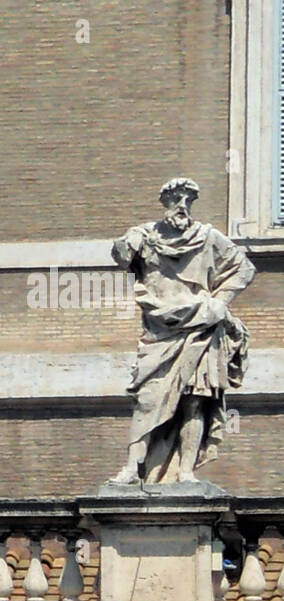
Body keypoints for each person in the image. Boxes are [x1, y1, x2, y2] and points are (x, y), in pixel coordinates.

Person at [108, 178, 253, 485]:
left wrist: (219, 302)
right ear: (165, 203)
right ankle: (133, 467)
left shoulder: (207, 237)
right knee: (147, 397)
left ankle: (185, 471)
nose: (182, 205)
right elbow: (121, 254)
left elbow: (244, 268)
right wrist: (126, 245)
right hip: (160, 331)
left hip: (201, 325)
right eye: (176, 199)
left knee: (194, 401)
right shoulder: (146, 235)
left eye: (188, 199)